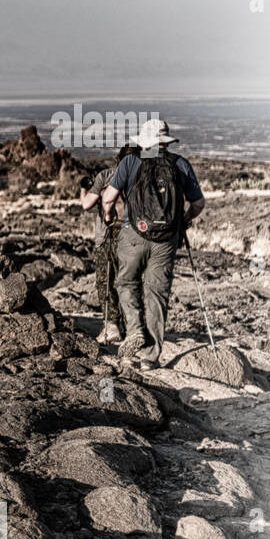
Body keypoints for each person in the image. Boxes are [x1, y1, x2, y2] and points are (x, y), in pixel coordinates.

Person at [99, 119, 205, 370]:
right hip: (166, 240)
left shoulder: (130, 162)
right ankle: (150, 356)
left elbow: (108, 198)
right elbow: (198, 204)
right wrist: (183, 221)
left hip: (133, 235)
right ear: (166, 141)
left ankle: (135, 329)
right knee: (157, 293)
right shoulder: (180, 164)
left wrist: (108, 215)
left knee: (126, 282)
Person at [78, 144, 138, 343]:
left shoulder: (106, 176)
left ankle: (111, 326)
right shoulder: (142, 179)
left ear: (117, 160)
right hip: (134, 237)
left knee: (106, 280)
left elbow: (86, 205)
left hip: (107, 235)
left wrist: (83, 188)